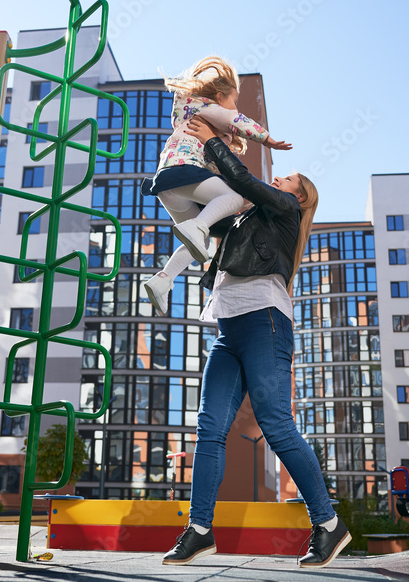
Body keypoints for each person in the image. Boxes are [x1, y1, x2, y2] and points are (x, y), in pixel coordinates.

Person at [161, 116, 351, 569]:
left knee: (276, 426)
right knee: (209, 428)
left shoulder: (284, 207)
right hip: (230, 327)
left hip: (265, 320)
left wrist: (212, 141)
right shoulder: (247, 214)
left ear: (299, 195)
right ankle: (200, 529)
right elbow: (212, 207)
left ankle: (327, 524)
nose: (279, 178)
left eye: (288, 177)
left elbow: (242, 177)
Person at [140, 56, 291, 316]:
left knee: (199, 241)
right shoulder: (207, 108)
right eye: (233, 101)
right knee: (232, 199)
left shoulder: (191, 118)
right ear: (220, 97)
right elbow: (236, 120)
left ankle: (163, 280)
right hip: (182, 172)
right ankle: (196, 227)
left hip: (167, 185)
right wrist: (267, 140)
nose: (234, 107)